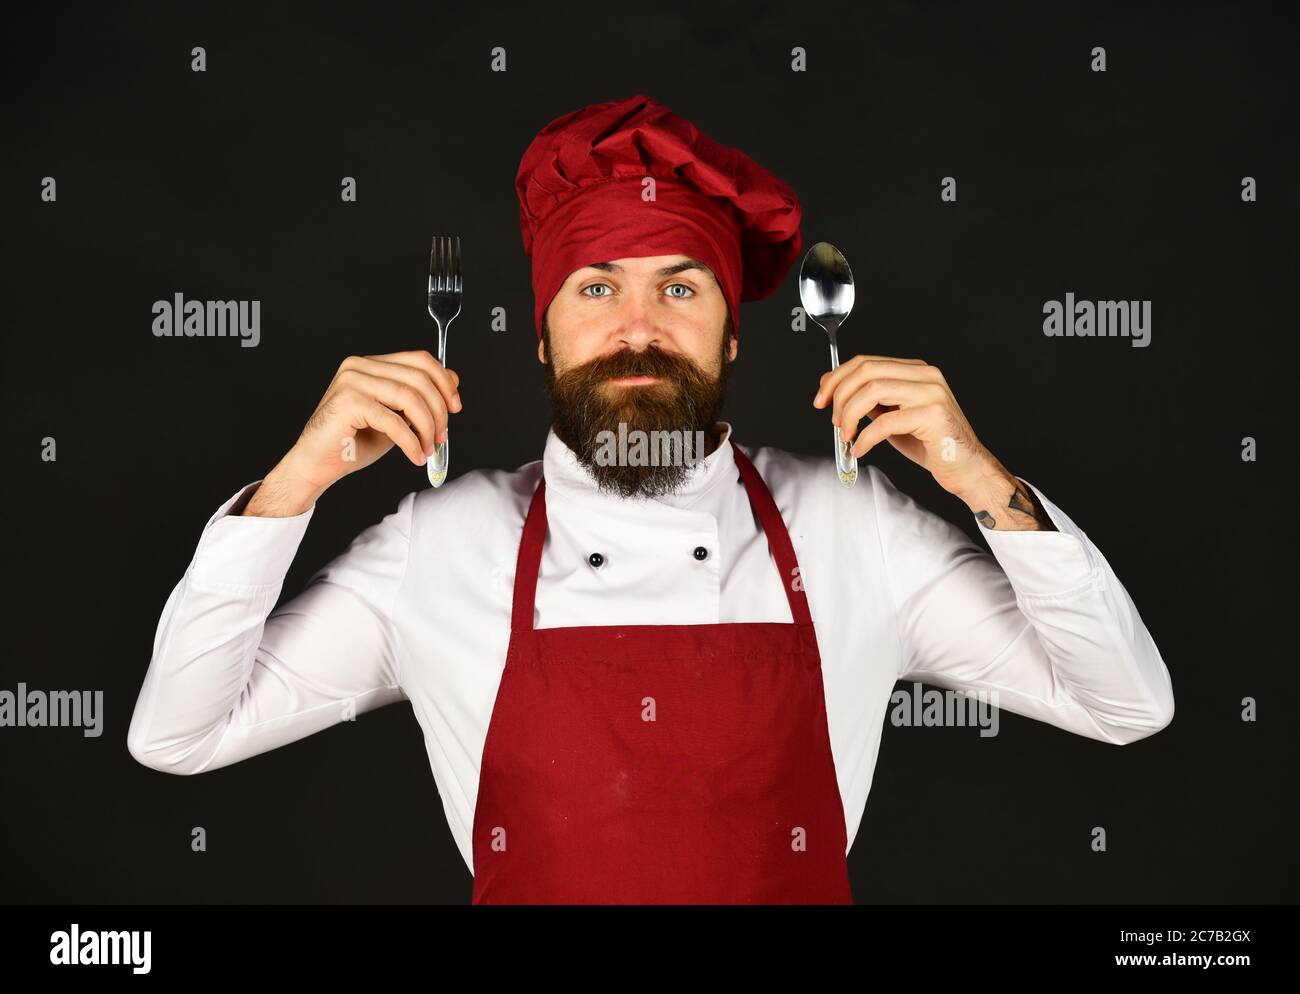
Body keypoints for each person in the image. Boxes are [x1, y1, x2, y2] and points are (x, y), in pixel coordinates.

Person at [127, 94, 1174, 904]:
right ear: (541, 338)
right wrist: (291, 488)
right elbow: (180, 732)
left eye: (679, 287)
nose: (637, 328)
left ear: (730, 333)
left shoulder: (851, 524)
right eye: (595, 287)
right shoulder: (442, 542)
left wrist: (984, 482)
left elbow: (1125, 704)